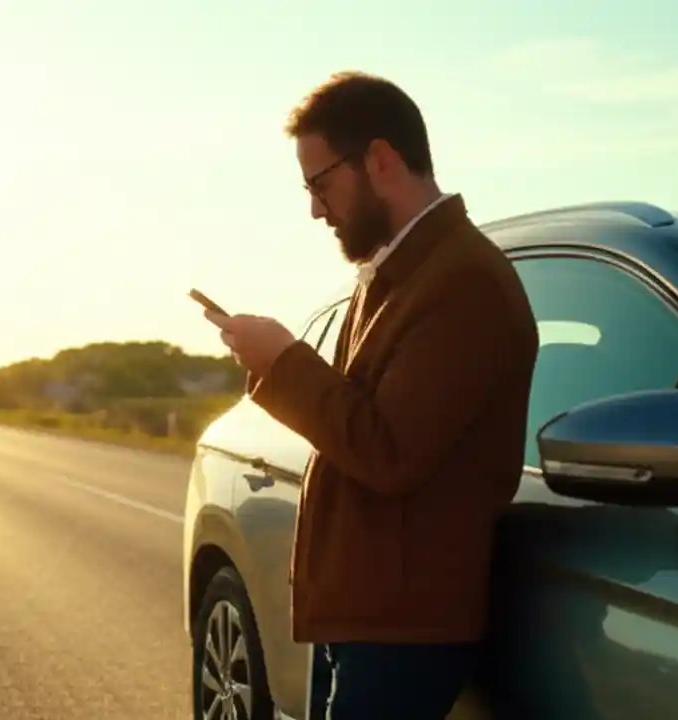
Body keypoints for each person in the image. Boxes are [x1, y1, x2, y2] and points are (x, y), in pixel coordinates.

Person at [203, 71, 539, 719]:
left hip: (404, 629)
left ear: (380, 159)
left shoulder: (463, 282)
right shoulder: (397, 275)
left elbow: (388, 451)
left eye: (321, 184)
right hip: (371, 619)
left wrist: (283, 362)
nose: (315, 208)